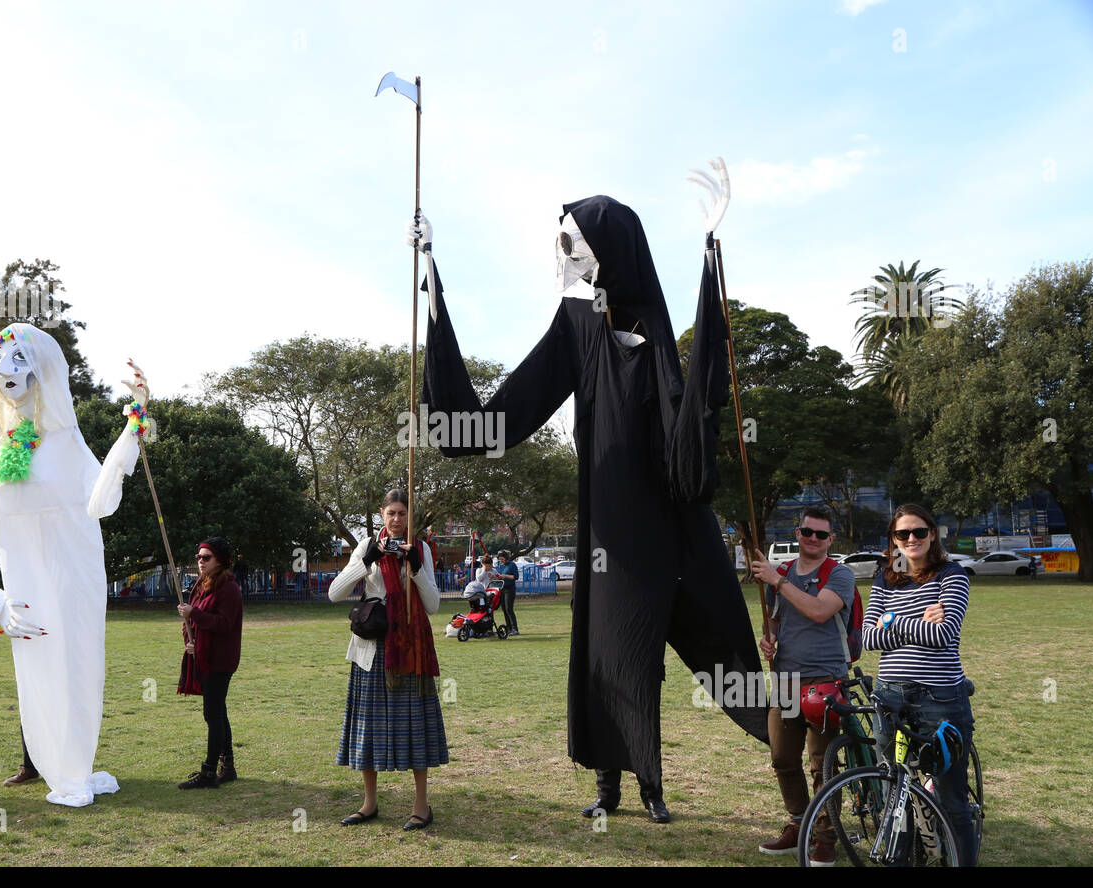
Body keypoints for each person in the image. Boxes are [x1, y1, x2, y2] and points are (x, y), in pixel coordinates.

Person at [415, 198, 767, 824]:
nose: (564, 259)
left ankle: (662, 782)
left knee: (681, 641)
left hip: (664, 518)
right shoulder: (575, 322)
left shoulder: (653, 323)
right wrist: (433, 291)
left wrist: (711, 284)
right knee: (610, 652)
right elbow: (507, 412)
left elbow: (685, 429)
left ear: (613, 249)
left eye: (574, 246)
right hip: (606, 521)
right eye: (561, 246)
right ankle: (613, 786)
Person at [0, 323, 143, 806]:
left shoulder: (67, 445)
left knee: (79, 667)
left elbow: (101, 499)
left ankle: (75, 765)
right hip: (27, 593)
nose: (8, 370)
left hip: (74, 580)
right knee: (38, 675)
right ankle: (54, 766)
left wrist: (133, 427)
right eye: (1, 361)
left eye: (20, 359)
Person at [861, 503, 977, 866]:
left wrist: (891, 624)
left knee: (950, 797)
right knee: (894, 789)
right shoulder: (884, 578)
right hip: (890, 695)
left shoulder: (951, 574)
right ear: (893, 540)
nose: (911, 539)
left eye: (919, 532)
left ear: (932, 534)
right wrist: (916, 621)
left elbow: (944, 634)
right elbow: (867, 638)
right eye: (902, 534)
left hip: (940, 697)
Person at [328, 489, 446, 830]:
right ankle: (369, 802)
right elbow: (336, 593)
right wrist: (367, 560)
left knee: (414, 726)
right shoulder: (367, 546)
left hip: (409, 648)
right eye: (391, 512)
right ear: (382, 513)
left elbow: (434, 605)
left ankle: (421, 806)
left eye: (402, 513)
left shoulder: (420, 548)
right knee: (369, 728)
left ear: (409, 515)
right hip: (371, 651)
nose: (396, 519)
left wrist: (415, 568)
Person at [749, 506, 856, 866]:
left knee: (821, 765)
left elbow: (818, 611)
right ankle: (799, 824)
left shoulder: (839, 574)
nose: (813, 539)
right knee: (782, 758)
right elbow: (777, 618)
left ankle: (824, 838)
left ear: (831, 540)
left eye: (821, 535)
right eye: (807, 532)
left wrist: (778, 580)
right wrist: (769, 638)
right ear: (797, 533)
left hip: (825, 681)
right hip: (785, 680)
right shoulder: (783, 573)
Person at [175, 536, 244, 789]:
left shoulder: (229, 589)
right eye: (198, 557)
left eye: (206, 558)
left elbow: (224, 624)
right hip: (204, 654)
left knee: (212, 714)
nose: (200, 562)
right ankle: (228, 767)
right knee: (218, 711)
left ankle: (208, 773)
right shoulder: (201, 585)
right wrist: (191, 641)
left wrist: (195, 614)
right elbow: (193, 623)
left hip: (220, 659)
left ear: (220, 560)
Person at [495, 550, 520, 636]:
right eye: (499, 559)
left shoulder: (512, 565)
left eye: (502, 559)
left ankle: (514, 628)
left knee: (509, 609)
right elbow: (500, 576)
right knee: (504, 609)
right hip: (502, 589)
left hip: (510, 589)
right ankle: (508, 628)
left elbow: (515, 577)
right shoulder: (501, 566)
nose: (501, 561)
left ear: (506, 558)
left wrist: (505, 576)